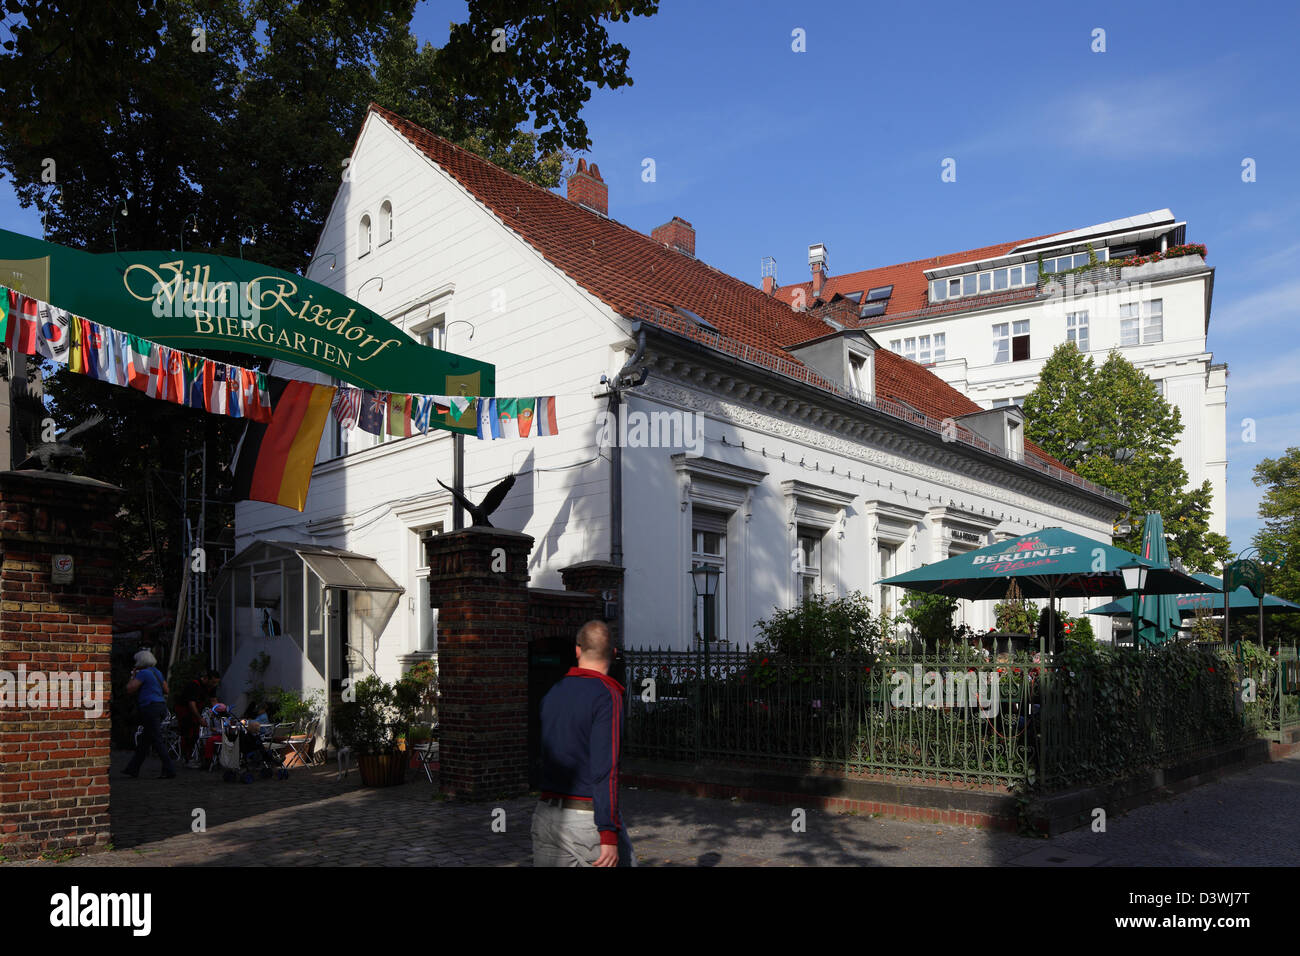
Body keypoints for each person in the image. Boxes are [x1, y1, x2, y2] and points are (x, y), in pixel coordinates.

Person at [532, 620, 635, 867]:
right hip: (586, 820)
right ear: (613, 653)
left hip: (546, 812)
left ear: (577, 650)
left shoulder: (553, 692)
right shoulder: (607, 695)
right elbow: (605, 768)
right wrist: (608, 832)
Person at [123, 650, 176, 779]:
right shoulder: (157, 672)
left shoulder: (143, 674)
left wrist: (133, 676)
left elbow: (130, 689)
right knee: (146, 740)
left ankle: (169, 769)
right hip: (161, 707)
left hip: (150, 708)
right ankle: (133, 768)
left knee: (157, 740)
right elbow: (166, 690)